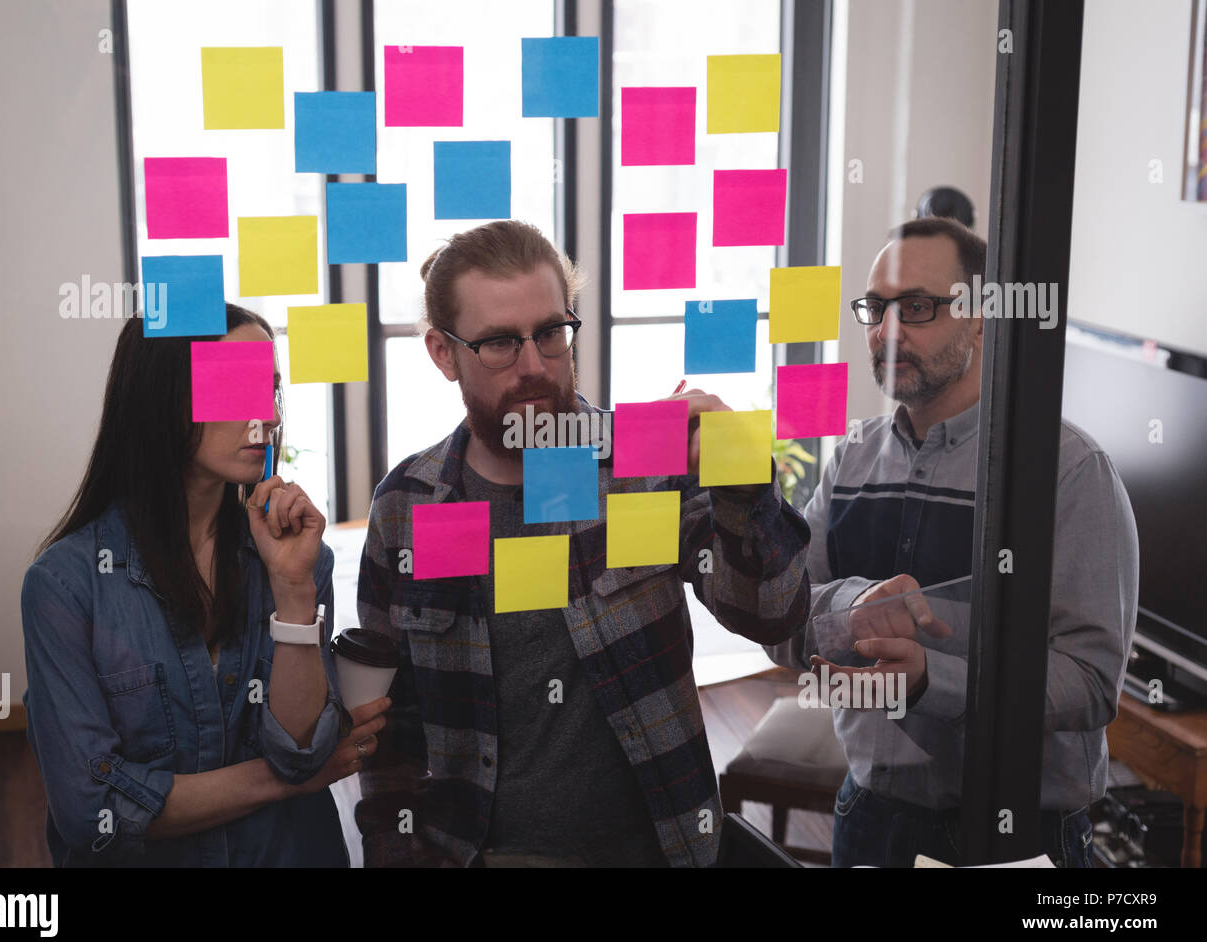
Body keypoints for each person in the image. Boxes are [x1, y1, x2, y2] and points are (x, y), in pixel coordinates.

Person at [354, 219, 812, 867]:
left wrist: (743, 486)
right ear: (441, 352)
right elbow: (389, 722)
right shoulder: (408, 505)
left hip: (656, 850)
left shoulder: (638, 464)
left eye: (549, 333)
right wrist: (395, 850)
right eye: (499, 345)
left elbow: (775, 611)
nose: (535, 367)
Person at [770, 217, 1138, 867]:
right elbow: (786, 617)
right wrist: (854, 610)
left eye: (916, 307)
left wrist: (930, 680)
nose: (887, 331)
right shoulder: (852, 459)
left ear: (980, 320)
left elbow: (1090, 680)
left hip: (1019, 837)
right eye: (875, 307)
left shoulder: (1069, 470)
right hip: (871, 818)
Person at [21, 304, 391, 866]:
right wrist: (285, 784)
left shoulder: (297, 562)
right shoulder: (66, 586)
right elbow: (91, 812)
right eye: (235, 386)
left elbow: (300, 751)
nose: (264, 414)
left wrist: (292, 591)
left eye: (269, 389)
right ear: (161, 398)